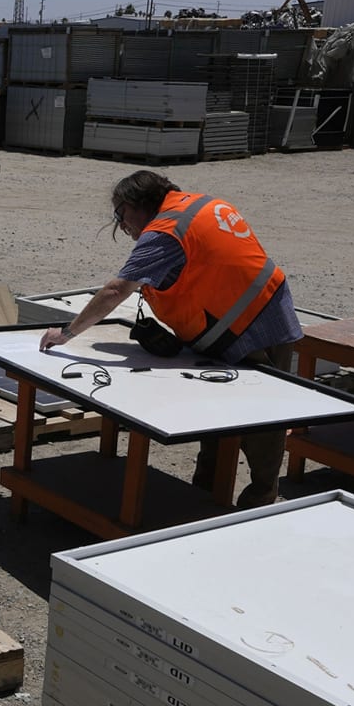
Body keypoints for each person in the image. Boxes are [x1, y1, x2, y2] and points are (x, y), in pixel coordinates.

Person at [39, 170, 305, 508]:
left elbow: (116, 290)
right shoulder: (199, 206)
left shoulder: (166, 231)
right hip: (255, 313)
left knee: (261, 420)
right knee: (219, 413)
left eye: (121, 214)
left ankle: (257, 503)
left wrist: (66, 333)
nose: (122, 225)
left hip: (256, 324)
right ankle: (205, 495)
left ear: (139, 204)